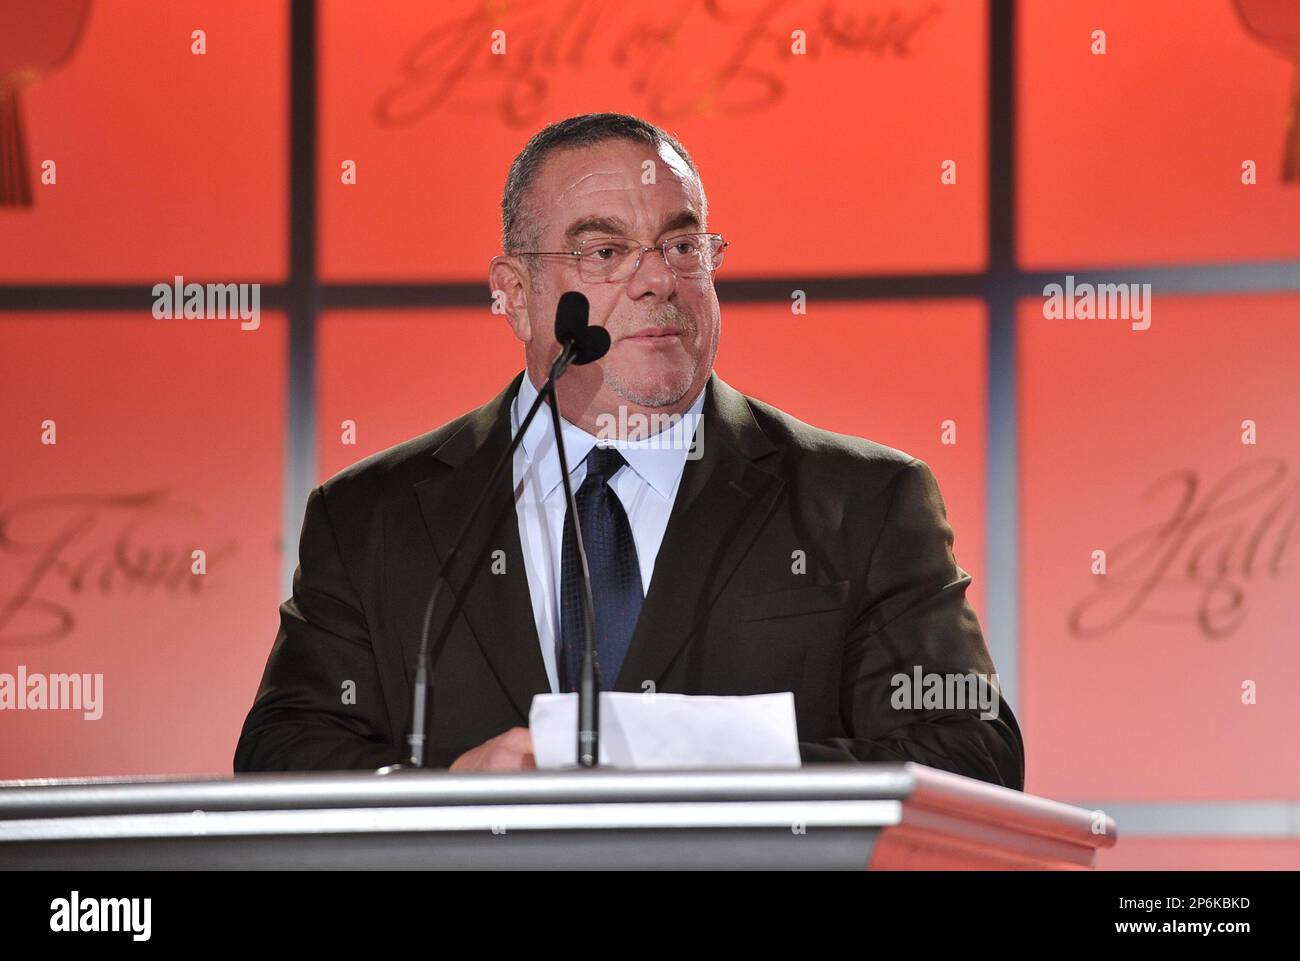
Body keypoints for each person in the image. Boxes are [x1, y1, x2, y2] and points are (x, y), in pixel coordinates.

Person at [234, 112, 1024, 789]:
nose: (657, 282)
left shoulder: (864, 501)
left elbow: (969, 747)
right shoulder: (372, 516)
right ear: (513, 292)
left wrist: (673, 761)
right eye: (604, 253)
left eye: (682, 247)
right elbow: (281, 750)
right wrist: (439, 793)